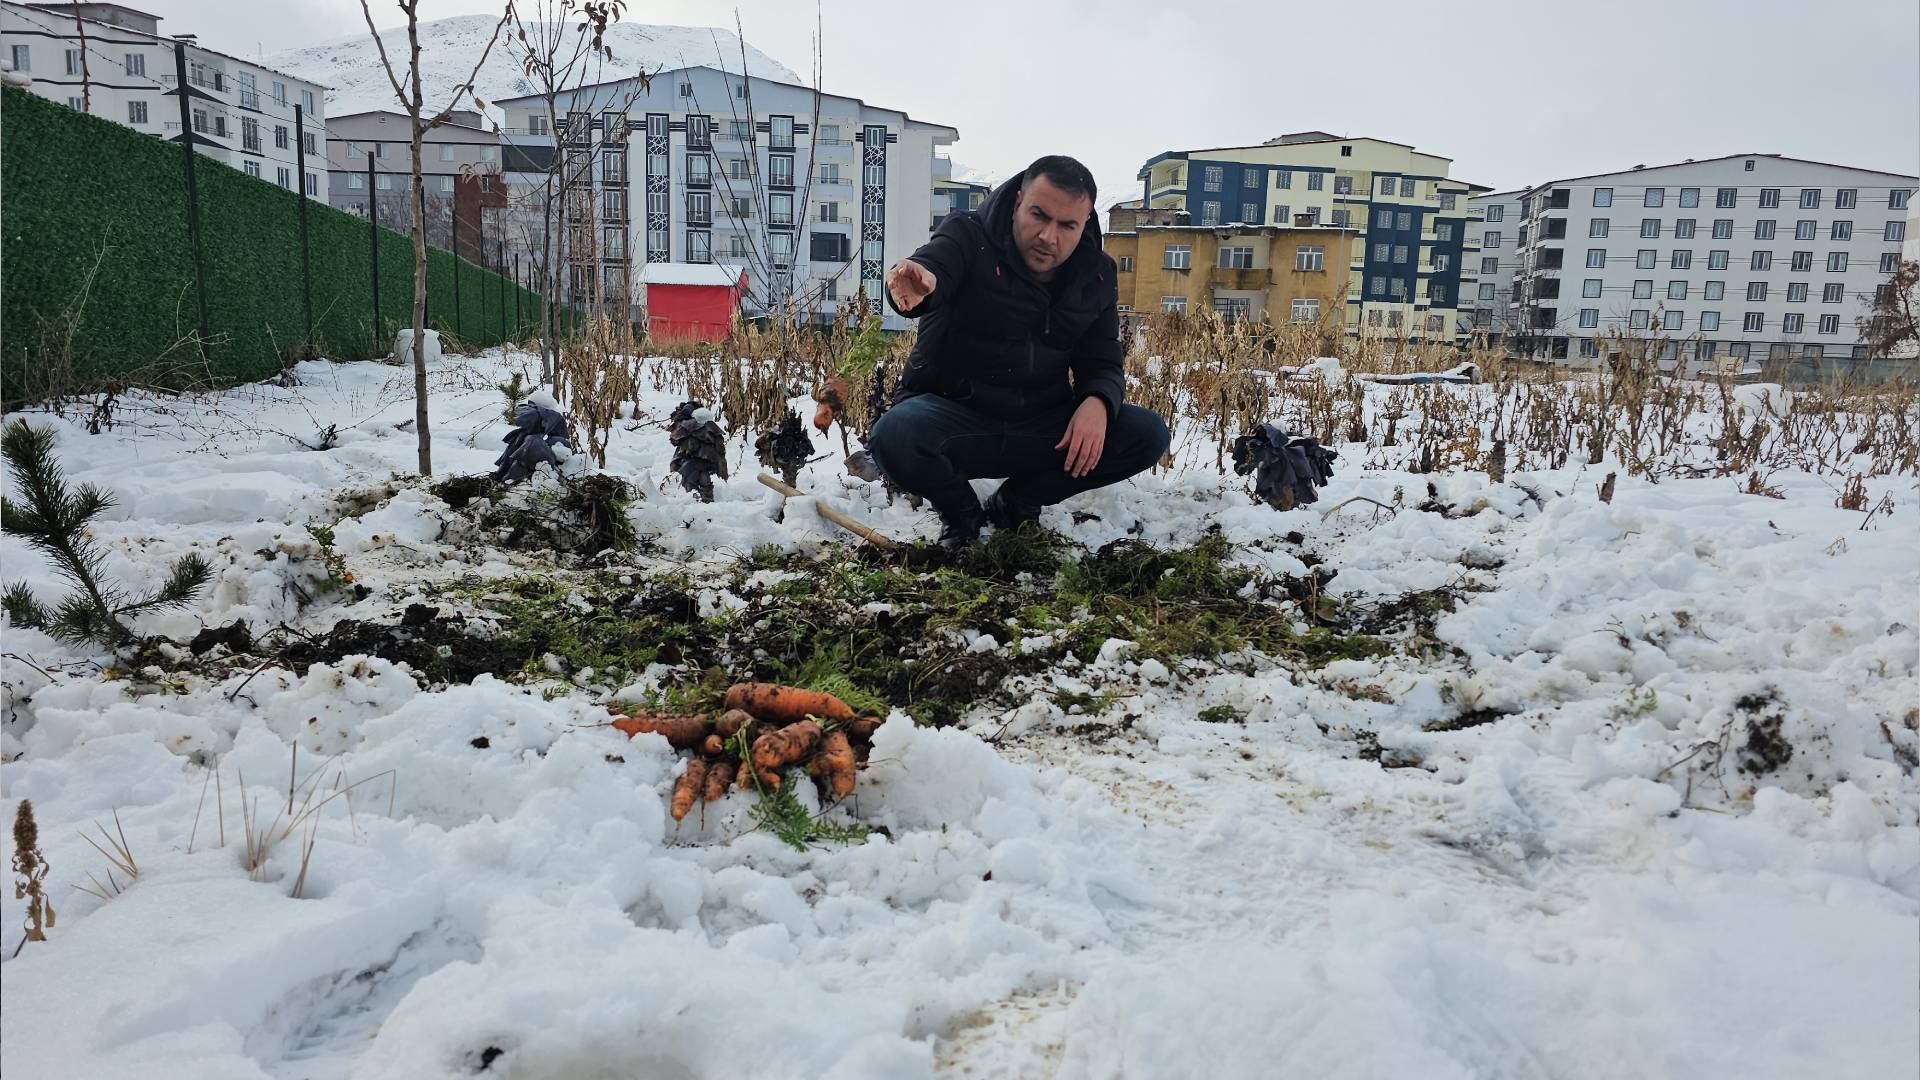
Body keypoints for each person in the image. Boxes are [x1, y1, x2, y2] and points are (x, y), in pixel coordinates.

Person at [866, 155, 1170, 548]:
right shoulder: (967, 235)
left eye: (1067, 225)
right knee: (895, 433)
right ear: (1017, 203)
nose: (1049, 236)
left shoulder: (1095, 273)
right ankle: (961, 515)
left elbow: (1102, 360)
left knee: (1145, 434)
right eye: (1039, 215)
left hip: (1039, 427)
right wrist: (920, 279)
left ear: (1084, 224)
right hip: (955, 420)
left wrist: (1098, 400)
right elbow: (936, 264)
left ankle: (1017, 502)